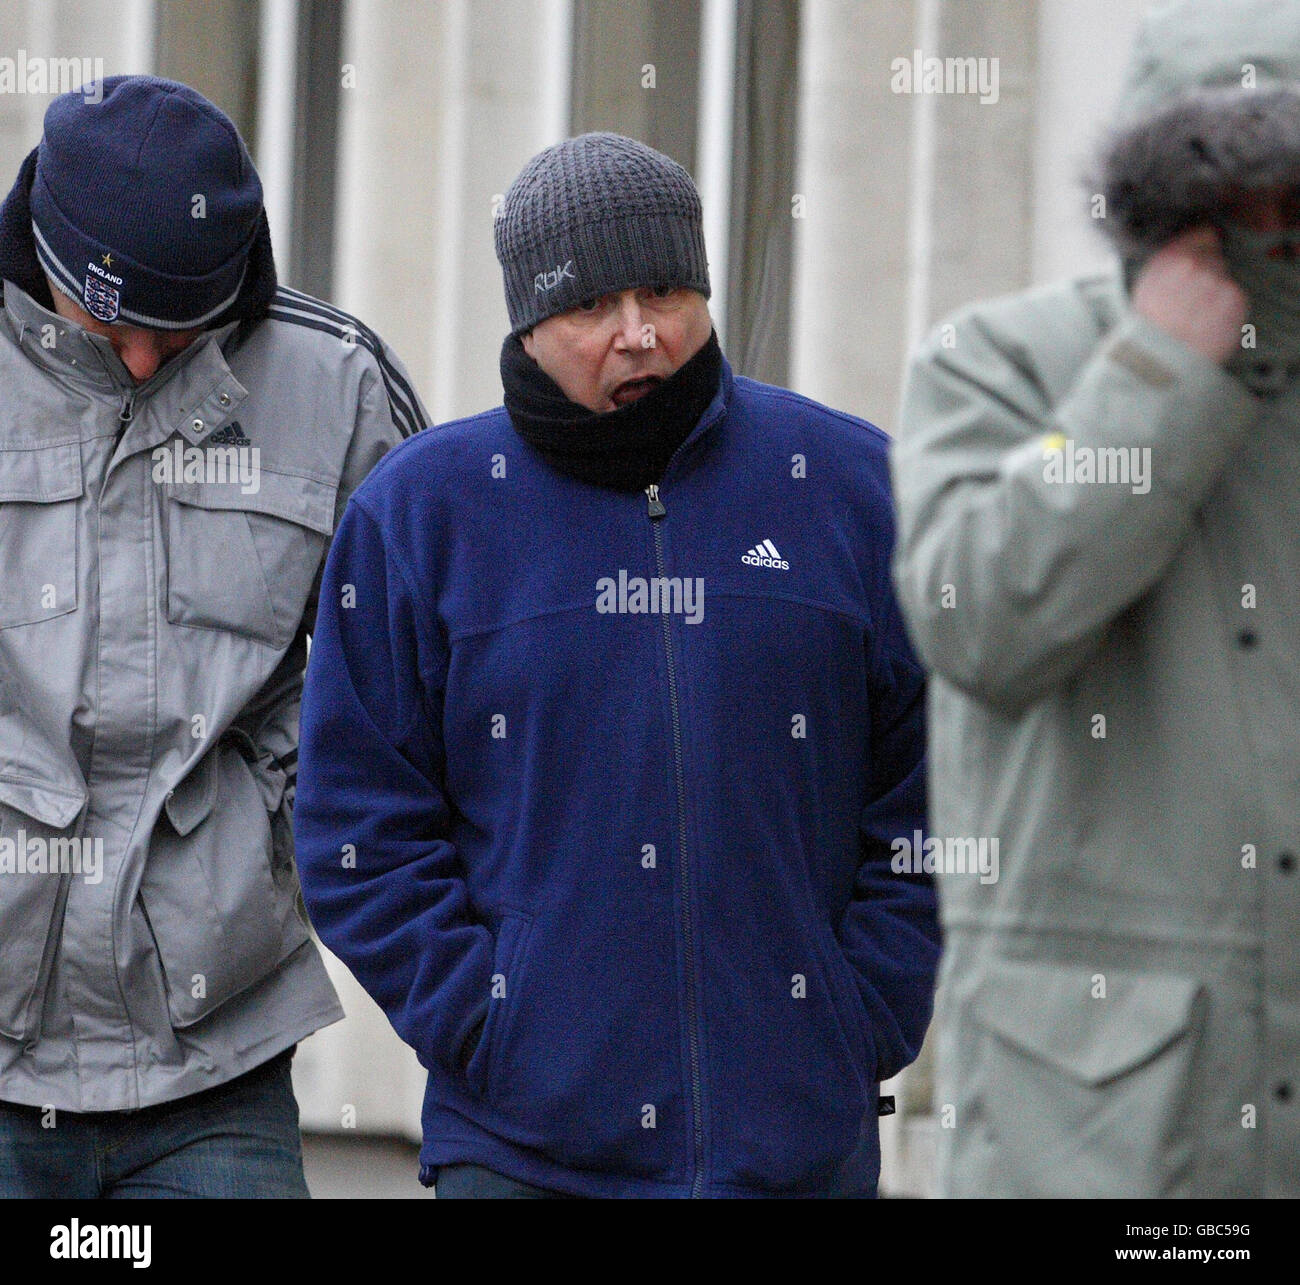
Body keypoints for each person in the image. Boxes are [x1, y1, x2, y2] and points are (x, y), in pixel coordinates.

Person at [294, 132, 940, 1199]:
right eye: (593, 305)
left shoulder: (850, 487)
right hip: (523, 1155)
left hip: (797, 1150)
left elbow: (936, 780)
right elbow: (356, 821)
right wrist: (489, 1022)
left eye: (667, 292)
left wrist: (858, 1010)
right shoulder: (421, 514)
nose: (640, 334)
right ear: (528, 321)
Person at [891, 0, 1300, 1198]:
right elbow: (978, 618)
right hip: (1098, 1124)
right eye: (1225, 192)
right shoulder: (1003, 359)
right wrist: (1158, 377)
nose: (1265, 230)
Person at [0, 76, 426, 1198]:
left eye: (176, 328)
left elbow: (420, 687)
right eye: (111, 321)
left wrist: (271, 813)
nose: (143, 361)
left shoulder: (340, 391)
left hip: (217, 1062)